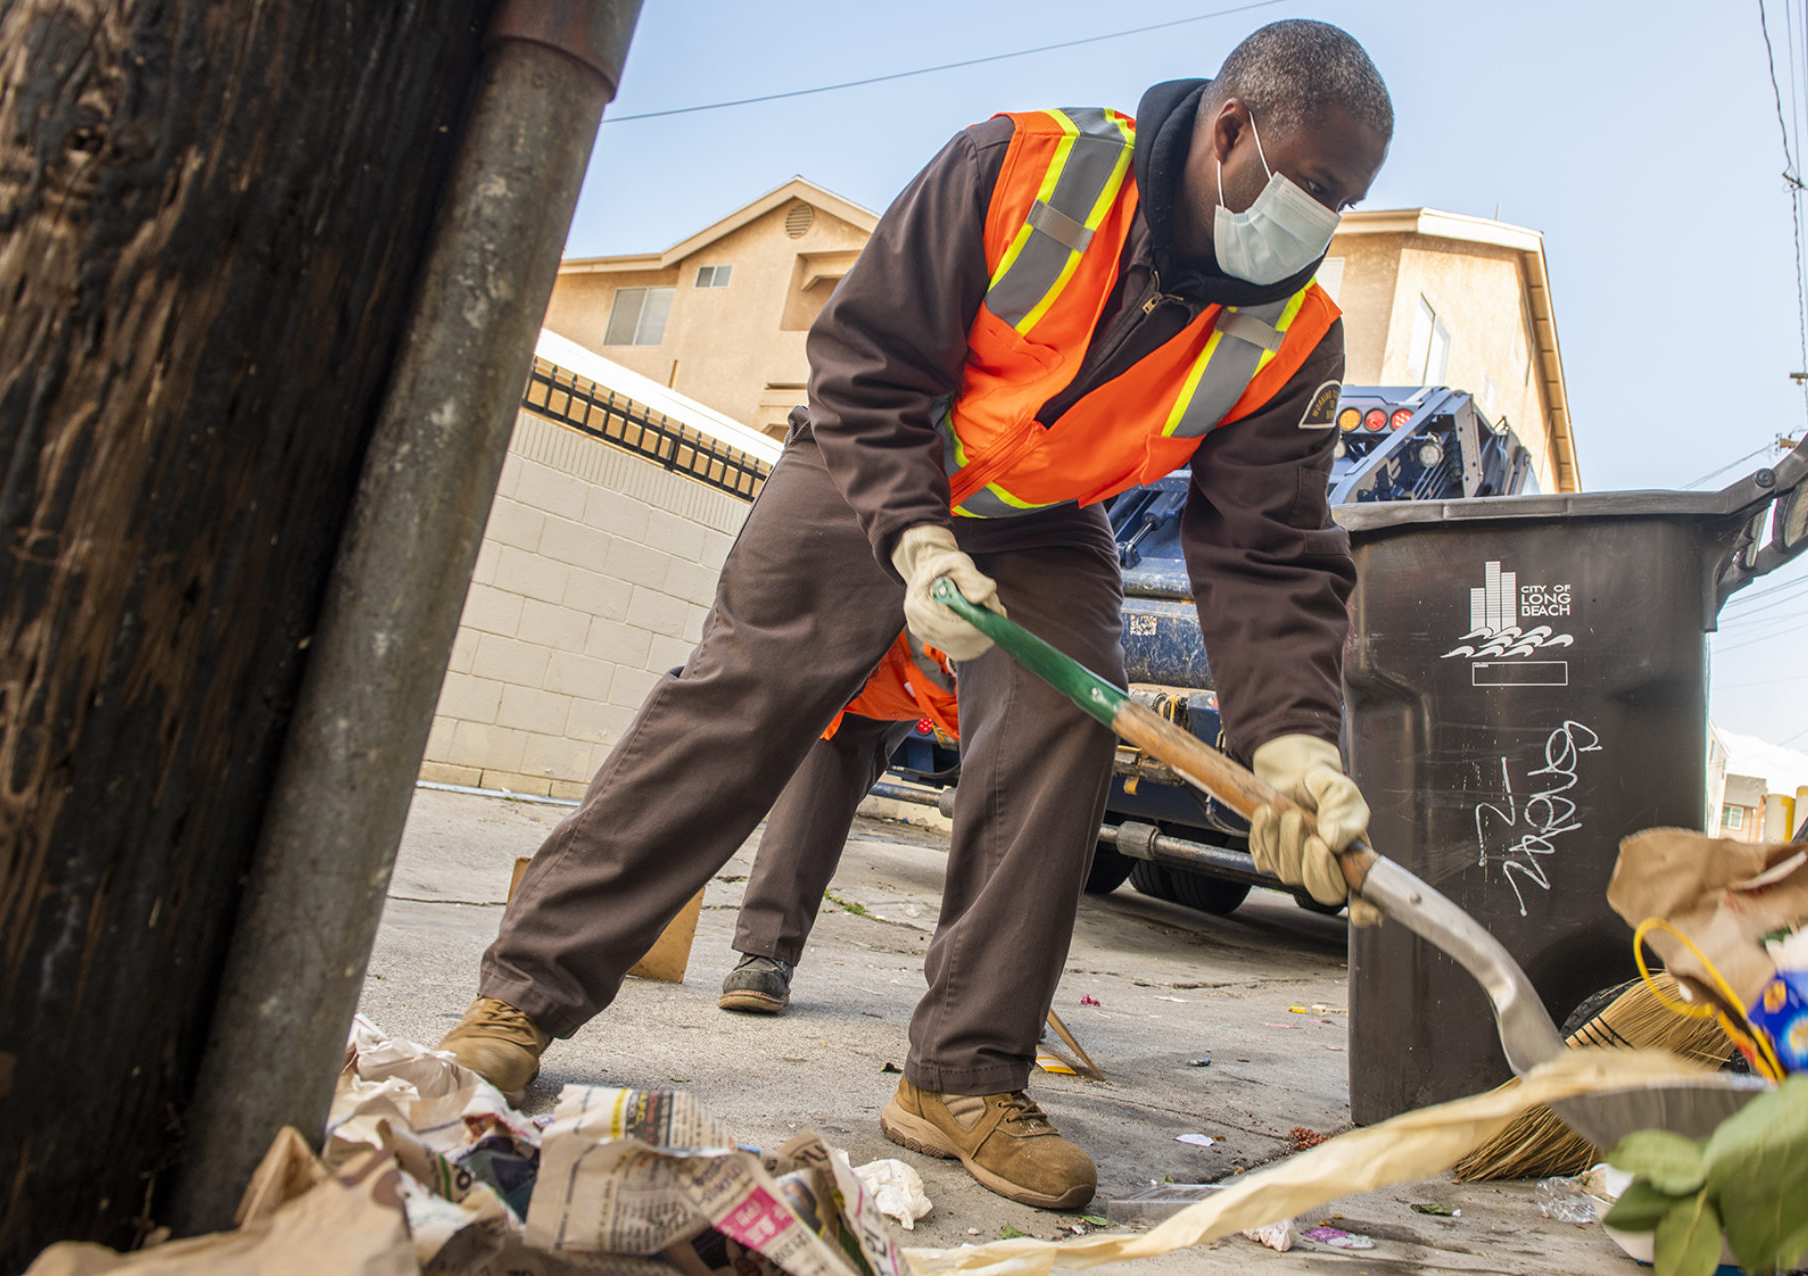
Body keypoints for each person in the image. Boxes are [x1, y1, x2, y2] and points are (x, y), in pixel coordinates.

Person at [440, 19, 1391, 1213]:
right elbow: (867, 359)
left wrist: (1293, 741)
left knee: (1063, 716)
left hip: (1041, 514)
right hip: (880, 455)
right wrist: (911, 533)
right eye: (1308, 182)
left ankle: (964, 1073)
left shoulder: (1293, 331)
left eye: (1343, 200)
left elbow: (1265, 552)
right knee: (747, 692)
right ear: (1229, 127)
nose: (1317, 217)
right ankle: (520, 998)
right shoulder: (1025, 164)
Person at [719, 630, 958, 1014]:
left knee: (1022, 795)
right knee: (827, 761)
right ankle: (767, 950)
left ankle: (998, 996)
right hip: (880, 653)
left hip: (997, 664)